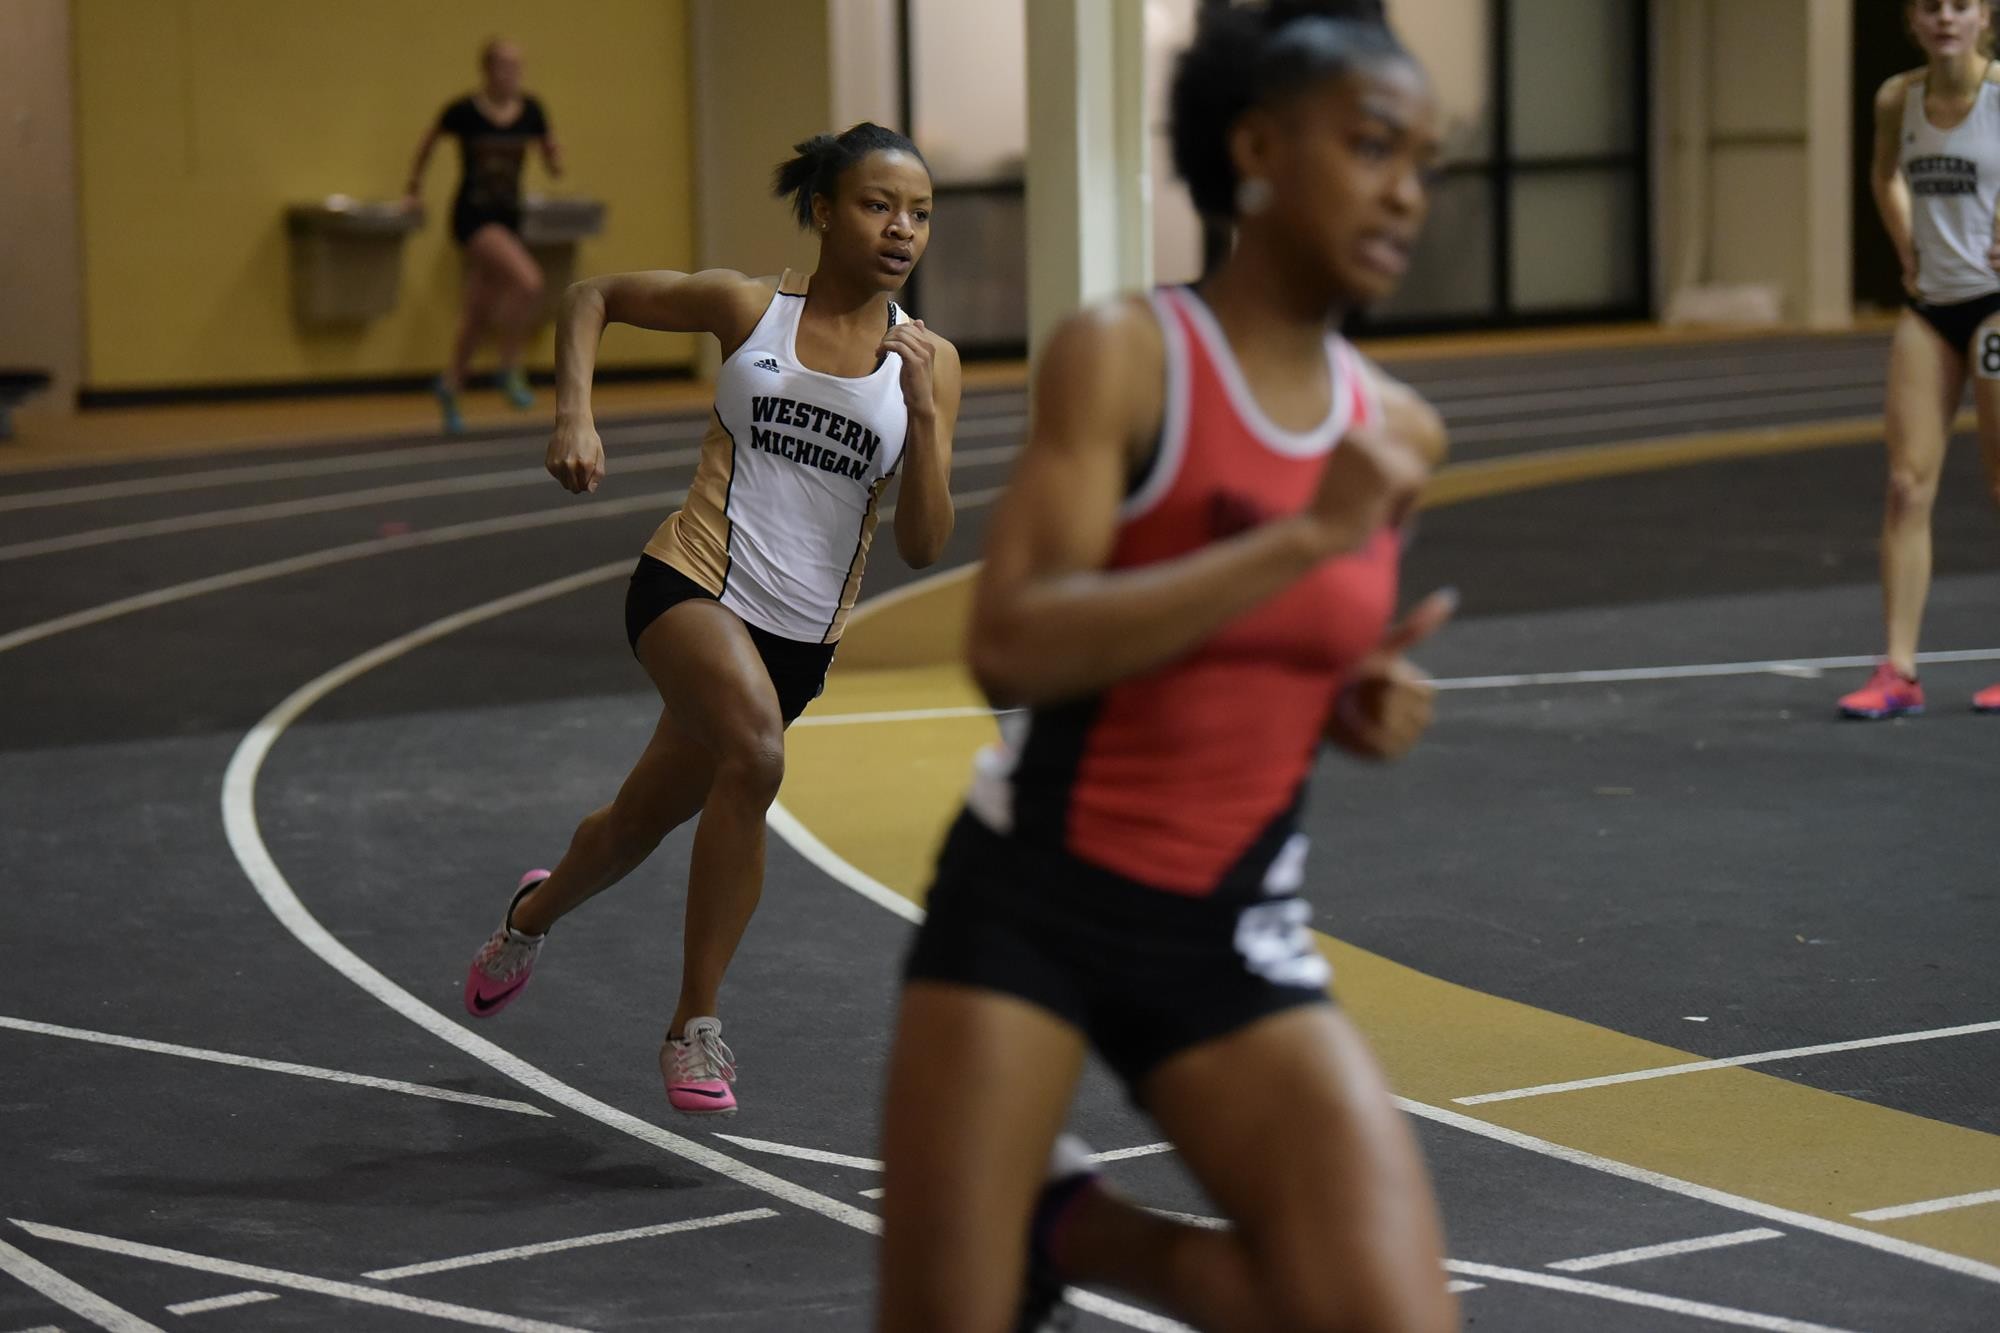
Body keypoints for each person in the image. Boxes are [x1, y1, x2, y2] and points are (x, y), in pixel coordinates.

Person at [875, 4, 1457, 1331]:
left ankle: (1068, 1227)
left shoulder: (1398, 432)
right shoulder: (1131, 357)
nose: (1407, 193)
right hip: (1037, 903)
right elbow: (1012, 642)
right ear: (1257, 145)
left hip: (1234, 928)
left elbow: (1260, 660)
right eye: (1373, 147)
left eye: (1426, 162)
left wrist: (1350, 695)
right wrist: (1307, 538)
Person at [461, 123, 960, 1118]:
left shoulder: (928, 360)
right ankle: (694, 1026)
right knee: (757, 757)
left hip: (795, 643)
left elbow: (924, 546)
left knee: (636, 825)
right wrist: (573, 414)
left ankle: (531, 913)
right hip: (688, 584)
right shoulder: (748, 309)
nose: (901, 229)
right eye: (877, 205)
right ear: (823, 210)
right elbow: (589, 297)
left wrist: (930, 422)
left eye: (918, 214)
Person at [1842, 0, 2000, 717]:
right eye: (1931, 7)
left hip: (1995, 302)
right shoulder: (1896, 98)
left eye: (1959, 7)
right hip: (1930, 306)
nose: (1945, 19)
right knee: (1906, 484)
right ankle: (1898, 671)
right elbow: (1884, 176)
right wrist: (1906, 245)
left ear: (1984, 18)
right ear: (1913, 19)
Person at [403, 37, 561, 435]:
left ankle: (451, 385)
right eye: (505, 67)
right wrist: (413, 189)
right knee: (528, 282)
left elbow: (549, 148)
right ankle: (508, 369)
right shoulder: (464, 111)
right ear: (488, 70)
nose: (512, 75)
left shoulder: (531, 110)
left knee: (476, 312)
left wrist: (553, 159)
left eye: (517, 67)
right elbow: (428, 143)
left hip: (509, 218)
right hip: (473, 218)